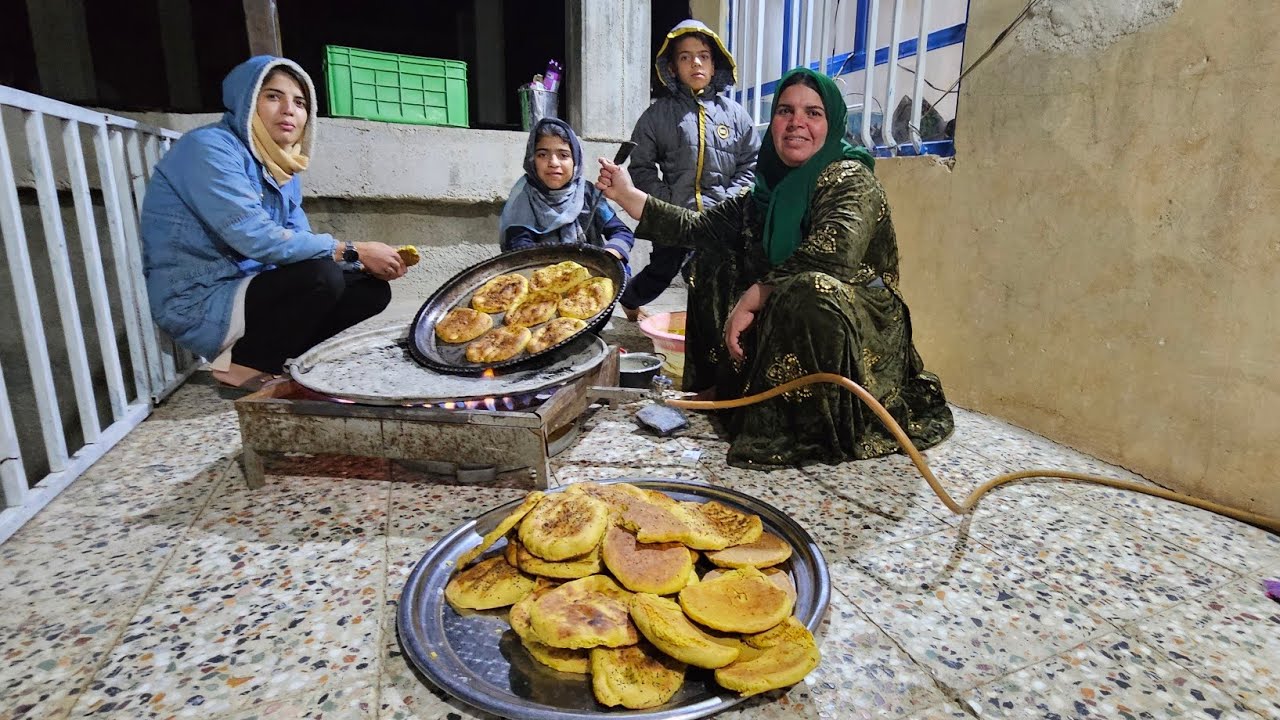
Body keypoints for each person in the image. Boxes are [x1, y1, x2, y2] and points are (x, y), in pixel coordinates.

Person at [596, 67, 954, 468]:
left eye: (813, 113)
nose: (797, 122)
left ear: (832, 121)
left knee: (810, 289)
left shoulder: (851, 177)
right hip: (792, 299)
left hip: (857, 318)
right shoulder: (762, 192)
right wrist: (628, 196)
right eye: (785, 110)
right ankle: (728, 389)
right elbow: (698, 227)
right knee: (712, 256)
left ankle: (813, 428)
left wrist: (757, 294)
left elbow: (836, 253)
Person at [140, 56, 407, 390]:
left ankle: (279, 356)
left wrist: (361, 265)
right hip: (201, 299)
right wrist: (353, 251)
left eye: (299, 102)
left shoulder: (280, 164)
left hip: (249, 287)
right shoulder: (210, 149)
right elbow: (256, 239)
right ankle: (243, 365)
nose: (288, 110)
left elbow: (298, 239)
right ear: (246, 101)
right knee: (321, 276)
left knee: (370, 290)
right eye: (272, 96)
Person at [618, 19, 759, 394]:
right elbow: (642, 166)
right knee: (663, 269)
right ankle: (630, 299)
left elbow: (750, 164)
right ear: (673, 67)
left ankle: (714, 343)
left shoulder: (736, 116)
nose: (695, 64)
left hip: (721, 219)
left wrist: (730, 200)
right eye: (685, 58)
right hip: (676, 218)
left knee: (718, 281)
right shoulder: (658, 116)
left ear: (715, 65)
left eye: (703, 57)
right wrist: (667, 202)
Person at [499, 117, 634, 266]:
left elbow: (622, 233)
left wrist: (609, 255)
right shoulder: (524, 196)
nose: (553, 163)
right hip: (540, 280)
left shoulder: (588, 193)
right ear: (532, 160)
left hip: (593, 277)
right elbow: (519, 248)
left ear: (575, 160)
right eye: (542, 155)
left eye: (563, 155)